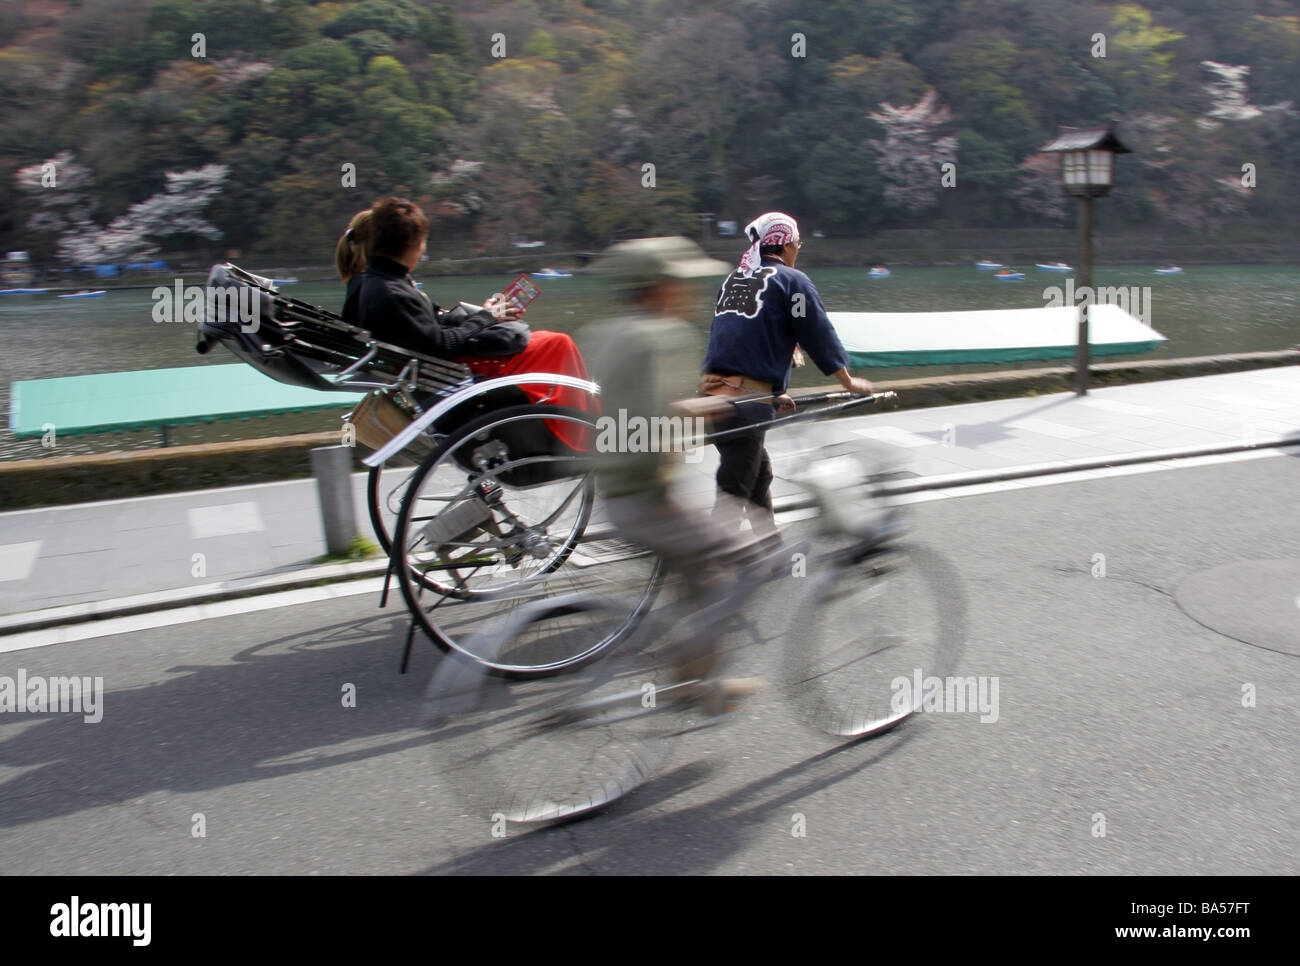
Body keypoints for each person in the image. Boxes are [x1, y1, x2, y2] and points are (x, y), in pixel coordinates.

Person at [585, 237, 769, 705]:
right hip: (651, 498)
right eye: (681, 284)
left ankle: (701, 685)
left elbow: (619, 418)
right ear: (659, 288)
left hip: (614, 495)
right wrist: (698, 409)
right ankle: (688, 662)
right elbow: (650, 427)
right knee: (756, 556)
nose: (688, 294)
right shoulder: (659, 336)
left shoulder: (602, 333)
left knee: (702, 579)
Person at [339, 197, 593, 446]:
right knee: (557, 343)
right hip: (451, 369)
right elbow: (441, 343)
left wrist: (483, 316)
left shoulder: (377, 282)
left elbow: (429, 324)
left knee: (542, 338)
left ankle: (575, 423)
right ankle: (580, 433)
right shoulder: (392, 291)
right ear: (414, 245)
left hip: (431, 367)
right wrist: (486, 318)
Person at [700, 211, 871, 536]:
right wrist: (848, 382)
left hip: (712, 396)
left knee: (757, 474)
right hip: (744, 402)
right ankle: (706, 572)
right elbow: (817, 334)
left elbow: (739, 339)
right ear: (788, 244)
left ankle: (768, 546)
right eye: (798, 243)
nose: (798, 249)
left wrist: (774, 392)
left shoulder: (736, 279)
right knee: (734, 490)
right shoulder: (791, 281)